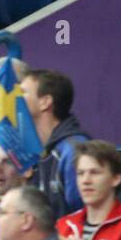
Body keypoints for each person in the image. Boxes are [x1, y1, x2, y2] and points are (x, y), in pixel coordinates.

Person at [20, 68, 90, 216]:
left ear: (45, 102)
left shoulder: (73, 150)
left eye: (23, 92)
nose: (15, 98)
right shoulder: (33, 148)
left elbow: (82, 215)